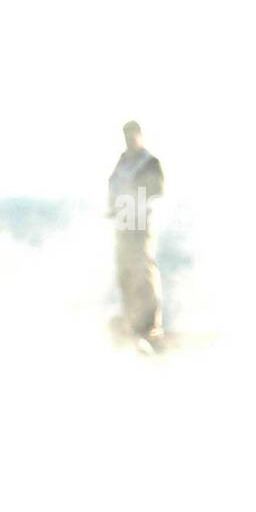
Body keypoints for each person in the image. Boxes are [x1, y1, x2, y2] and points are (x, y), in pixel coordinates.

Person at [108, 120, 165, 345]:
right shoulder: (122, 162)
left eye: (133, 135)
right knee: (125, 272)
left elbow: (157, 188)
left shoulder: (149, 162)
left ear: (139, 135)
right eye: (126, 135)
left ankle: (151, 325)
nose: (130, 139)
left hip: (141, 225)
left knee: (144, 272)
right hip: (123, 225)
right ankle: (131, 320)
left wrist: (136, 198)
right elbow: (113, 186)